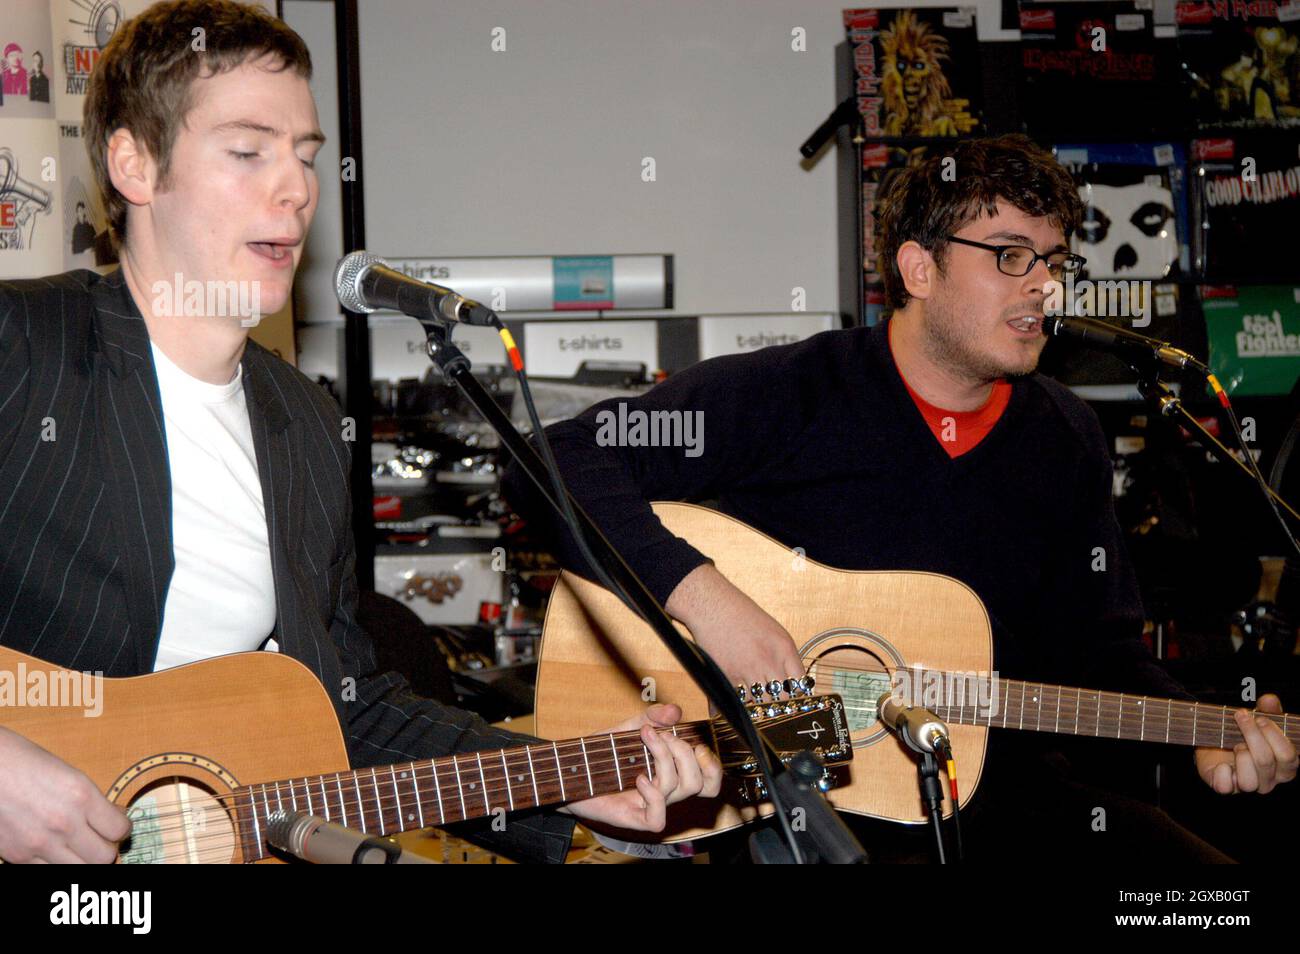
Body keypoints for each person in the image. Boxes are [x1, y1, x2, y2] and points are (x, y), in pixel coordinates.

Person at [0, 0, 720, 865]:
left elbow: (349, 707)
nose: (298, 188)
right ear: (135, 163)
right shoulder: (26, 349)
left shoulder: (301, 421)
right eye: (247, 151)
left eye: (304, 156)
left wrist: (564, 783)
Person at [503, 134, 1298, 861]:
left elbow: (1100, 656)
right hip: (809, 806)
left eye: (1055, 262)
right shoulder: (796, 391)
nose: (1045, 289)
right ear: (919, 269)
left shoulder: (1064, 437)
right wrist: (706, 601)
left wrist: (1200, 736)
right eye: (1011, 256)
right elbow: (554, 457)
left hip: (1004, 798)